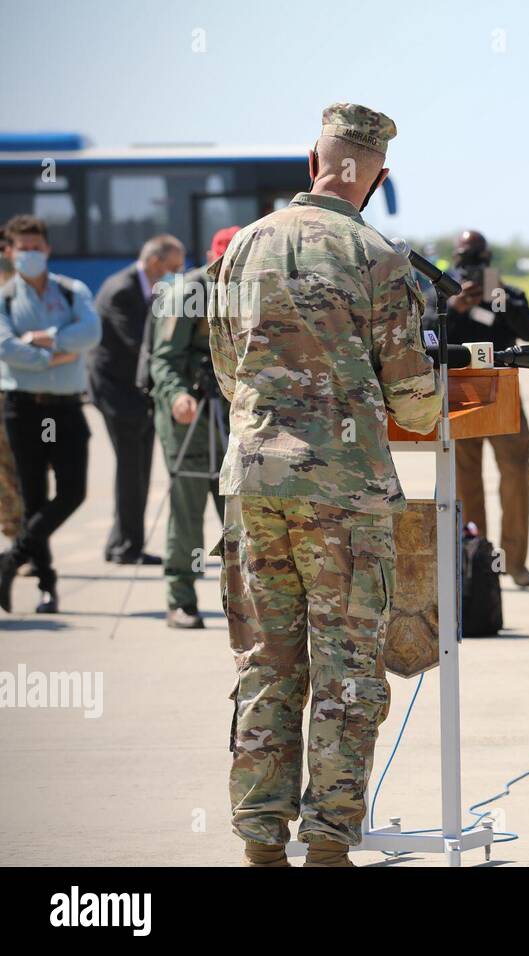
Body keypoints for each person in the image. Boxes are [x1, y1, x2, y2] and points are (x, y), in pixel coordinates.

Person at [209, 103, 439, 868]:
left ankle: (257, 841)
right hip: (342, 492)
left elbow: (224, 366)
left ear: (312, 165)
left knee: (267, 664)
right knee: (345, 669)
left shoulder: (242, 247)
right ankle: (329, 846)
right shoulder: (377, 255)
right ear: (378, 180)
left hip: (252, 481)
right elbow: (412, 394)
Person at [0, 214, 101, 614]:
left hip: (65, 407)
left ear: (48, 249)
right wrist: (57, 357)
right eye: (22, 249)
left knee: (73, 491)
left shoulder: (71, 290)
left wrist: (47, 340)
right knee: (33, 496)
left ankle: (12, 558)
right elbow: (7, 348)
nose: (30, 255)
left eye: (36, 248)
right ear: (9, 252)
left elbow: (90, 334)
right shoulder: (5, 297)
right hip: (24, 408)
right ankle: (46, 585)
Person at [434, 229, 529, 588]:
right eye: (466, 261)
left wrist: (500, 298)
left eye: (478, 261)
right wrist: (454, 308)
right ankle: (479, 560)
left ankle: (515, 562)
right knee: (467, 481)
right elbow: (425, 334)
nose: (473, 269)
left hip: (503, 387)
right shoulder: (444, 294)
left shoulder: (504, 294)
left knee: (517, 472)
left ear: (490, 261)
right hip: (463, 389)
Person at [150, 225, 240, 629]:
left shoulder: (254, 290)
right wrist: (176, 396)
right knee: (187, 509)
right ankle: (181, 598)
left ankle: (244, 602)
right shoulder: (185, 294)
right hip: (188, 412)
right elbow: (163, 359)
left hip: (233, 416)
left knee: (240, 512)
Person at [92, 234, 185, 564]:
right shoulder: (122, 290)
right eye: (174, 267)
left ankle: (121, 543)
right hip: (118, 395)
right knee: (132, 470)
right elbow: (142, 343)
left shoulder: (146, 288)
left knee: (138, 470)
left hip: (136, 394)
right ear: (155, 262)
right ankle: (126, 547)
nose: (179, 273)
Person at [0, 236, 20, 544]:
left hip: (14, 390)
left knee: (17, 469)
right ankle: (18, 537)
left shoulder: (16, 288)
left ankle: (22, 540)